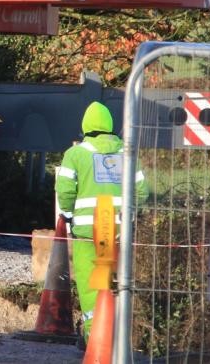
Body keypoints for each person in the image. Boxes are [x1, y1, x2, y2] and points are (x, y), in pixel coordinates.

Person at [54, 101, 148, 343]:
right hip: (119, 232)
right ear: (110, 126)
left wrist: (67, 213)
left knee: (90, 284)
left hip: (87, 233)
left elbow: (65, 190)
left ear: (85, 126)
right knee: (119, 282)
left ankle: (94, 338)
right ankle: (121, 338)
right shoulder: (127, 154)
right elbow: (142, 191)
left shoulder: (75, 154)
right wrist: (129, 214)